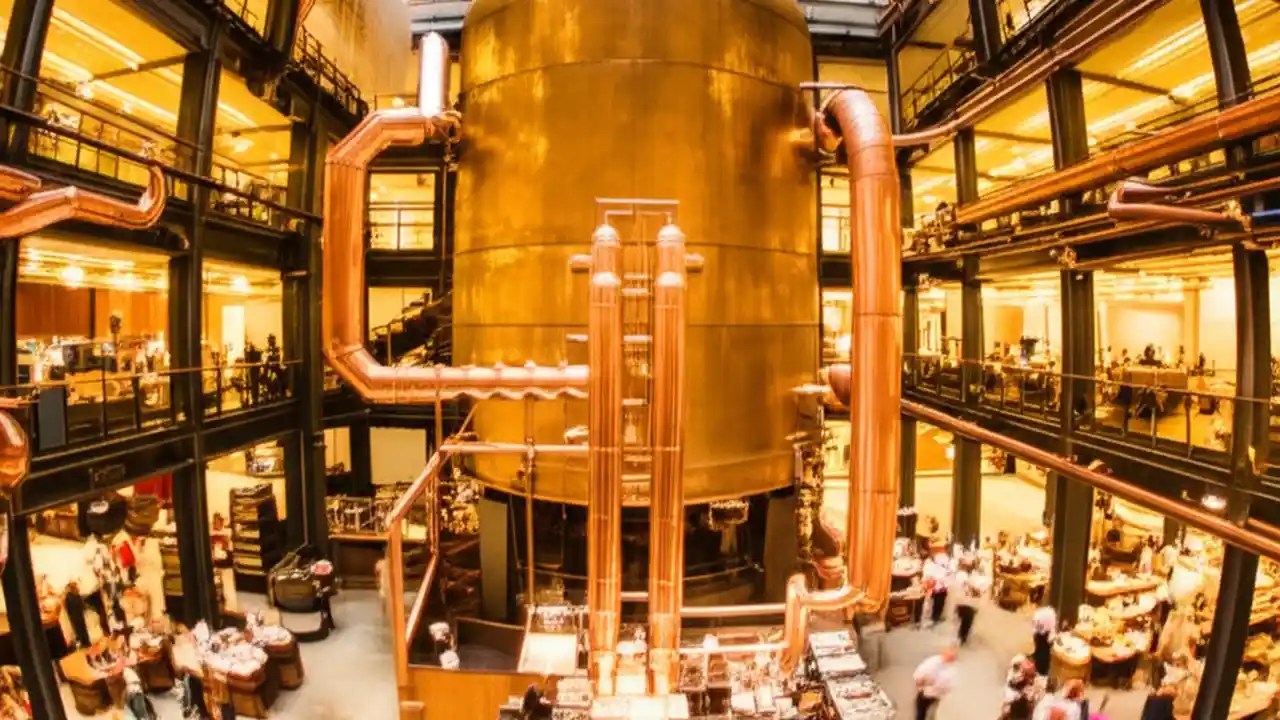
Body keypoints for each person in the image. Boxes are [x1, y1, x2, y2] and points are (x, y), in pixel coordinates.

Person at [912, 644, 957, 720]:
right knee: (922, 713)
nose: (953, 659)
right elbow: (919, 676)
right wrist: (920, 687)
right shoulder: (933, 663)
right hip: (927, 694)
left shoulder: (949, 667)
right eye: (951, 657)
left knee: (928, 713)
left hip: (935, 695)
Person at [951, 557, 989, 646]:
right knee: (963, 620)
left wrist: (978, 591)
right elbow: (966, 585)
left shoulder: (973, 575)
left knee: (966, 620)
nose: (969, 566)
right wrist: (975, 590)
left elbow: (978, 588)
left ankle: (962, 637)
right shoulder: (961, 574)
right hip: (963, 601)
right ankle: (960, 637)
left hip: (969, 602)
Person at [1031, 604, 1056, 676]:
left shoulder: (1044, 637)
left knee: (1042, 651)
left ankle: (1040, 670)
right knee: (1040, 647)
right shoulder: (1041, 617)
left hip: (1044, 631)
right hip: (1044, 628)